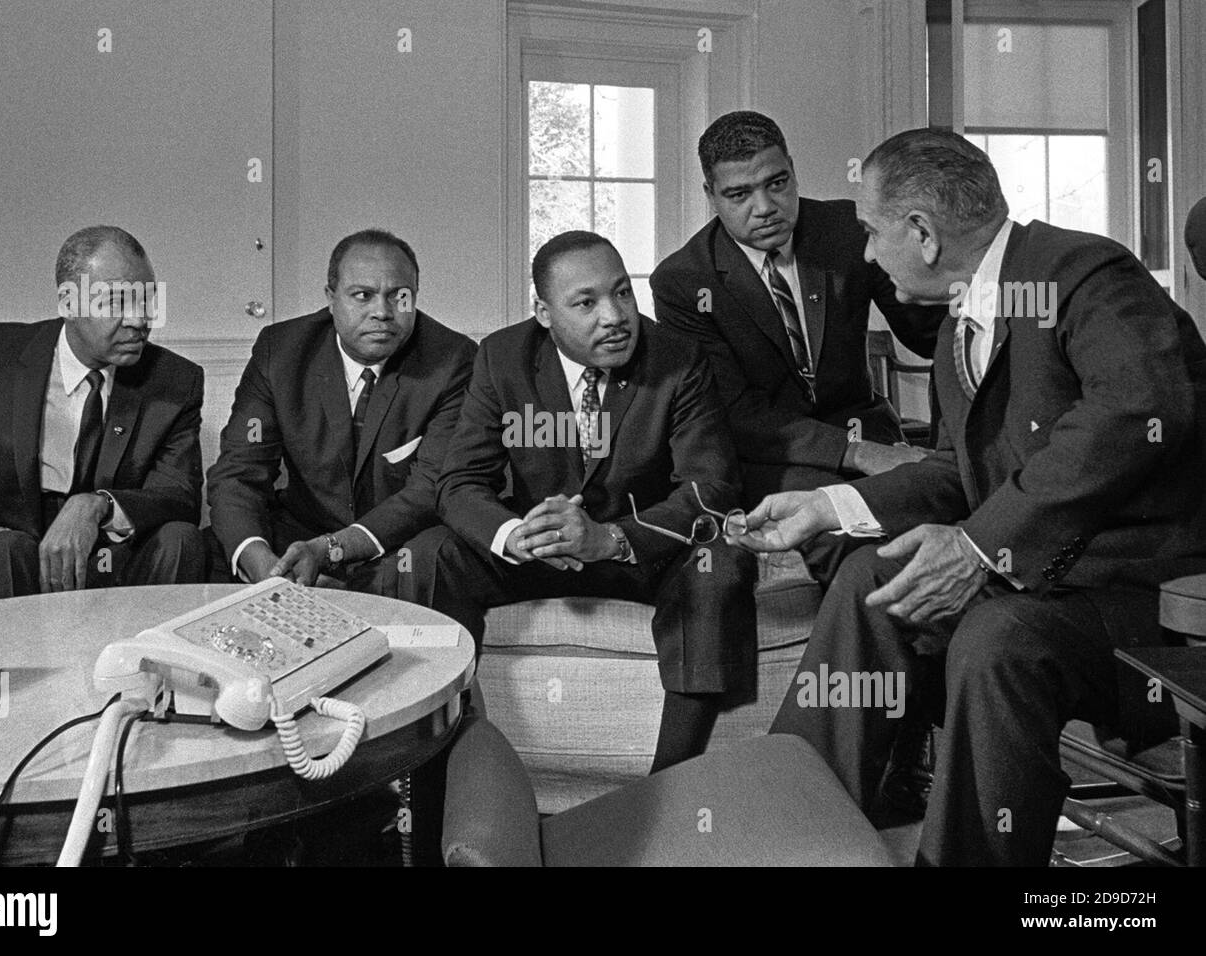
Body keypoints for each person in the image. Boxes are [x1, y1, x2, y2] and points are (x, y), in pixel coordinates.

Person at [729, 128, 1206, 866]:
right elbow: (958, 470)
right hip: (1051, 586)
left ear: (921, 234)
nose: (863, 253)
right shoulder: (963, 322)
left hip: (1147, 599)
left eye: (871, 231)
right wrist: (831, 508)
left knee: (997, 640)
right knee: (868, 577)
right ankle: (793, 837)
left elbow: (1137, 409)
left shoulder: (1085, 271)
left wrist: (981, 547)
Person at [432, 230, 757, 773]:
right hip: (540, 553)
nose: (614, 316)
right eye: (586, 302)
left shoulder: (678, 358)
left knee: (718, 561)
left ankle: (672, 781)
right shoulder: (502, 358)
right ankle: (446, 767)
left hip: (637, 552)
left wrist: (609, 539)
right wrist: (516, 535)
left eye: (623, 292)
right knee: (432, 554)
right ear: (543, 311)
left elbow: (711, 489)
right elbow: (459, 482)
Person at [0, 225, 205, 613]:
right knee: (6, 551)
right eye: (116, 302)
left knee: (182, 539)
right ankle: (4, 675)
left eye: (148, 301)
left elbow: (178, 496)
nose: (140, 320)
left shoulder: (173, 381)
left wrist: (97, 505)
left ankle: (142, 669)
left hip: (106, 566)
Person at [651, 111, 945, 500]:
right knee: (841, 531)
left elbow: (931, 336)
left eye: (777, 183)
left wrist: (941, 269)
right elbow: (737, 414)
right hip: (773, 459)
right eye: (739, 194)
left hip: (870, 431)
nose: (765, 207)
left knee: (933, 506)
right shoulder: (684, 282)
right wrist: (860, 454)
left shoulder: (848, 228)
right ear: (710, 194)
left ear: (791, 169)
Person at [206, 229, 476, 603]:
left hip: (396, 543)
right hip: (300, 533)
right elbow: (239, 472)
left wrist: (332, 549)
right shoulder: (281, 352)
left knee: (431, 555)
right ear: (331, 298)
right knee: (209, 551)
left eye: (399, 296)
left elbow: (430, 488)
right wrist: (264, 568)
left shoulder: (452, 360)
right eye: (362, 295)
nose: (382, 312)